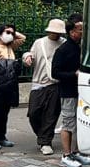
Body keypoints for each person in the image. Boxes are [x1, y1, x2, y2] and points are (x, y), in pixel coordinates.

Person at [50, 14, 90, 167]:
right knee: (68, 123)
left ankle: (76, 151)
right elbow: (55, 73)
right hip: (68, 91)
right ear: (71, 32)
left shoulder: (80, 46)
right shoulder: (63, 50)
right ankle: (66, 154)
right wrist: (73, 74)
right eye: (80, 30)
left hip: (79, 90)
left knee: (79, 122)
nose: (82, 32)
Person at [24, 19, 66, 155]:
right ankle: (42, 135)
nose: (56, 34)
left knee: (51, 114)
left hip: (56, 83)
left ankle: (45, 141)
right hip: (39, 83)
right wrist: (28, 58)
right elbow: (30, 55)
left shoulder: (64, 44)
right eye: (54, 32)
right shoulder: (39, 43)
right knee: (33, 113)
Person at [0, 24, 26, 150]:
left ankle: (1, 137)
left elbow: (23, 38)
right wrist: (6, 66)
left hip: (8, 84)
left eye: (12, 33)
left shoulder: (10, 46)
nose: (10, 35)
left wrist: (13, 33)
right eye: (7, 32)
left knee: (4, 112)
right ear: (0, 32)